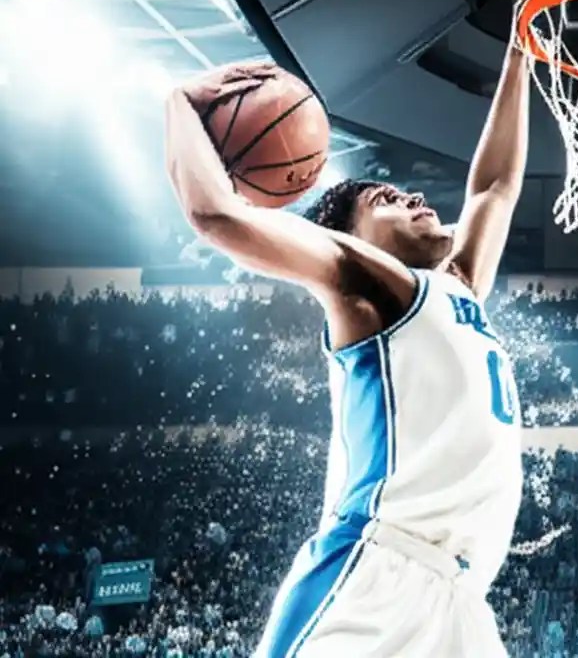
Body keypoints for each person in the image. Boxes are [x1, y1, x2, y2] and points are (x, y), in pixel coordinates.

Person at [163, 43, 530, 657]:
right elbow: (214, 213)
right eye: (385, 200)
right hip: (375, 573)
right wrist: (178, 103)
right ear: (357, 242)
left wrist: (520, 53)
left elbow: (494, 186)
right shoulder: (369, 286)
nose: (414, 198)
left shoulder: (459, 287)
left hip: (461, 596)